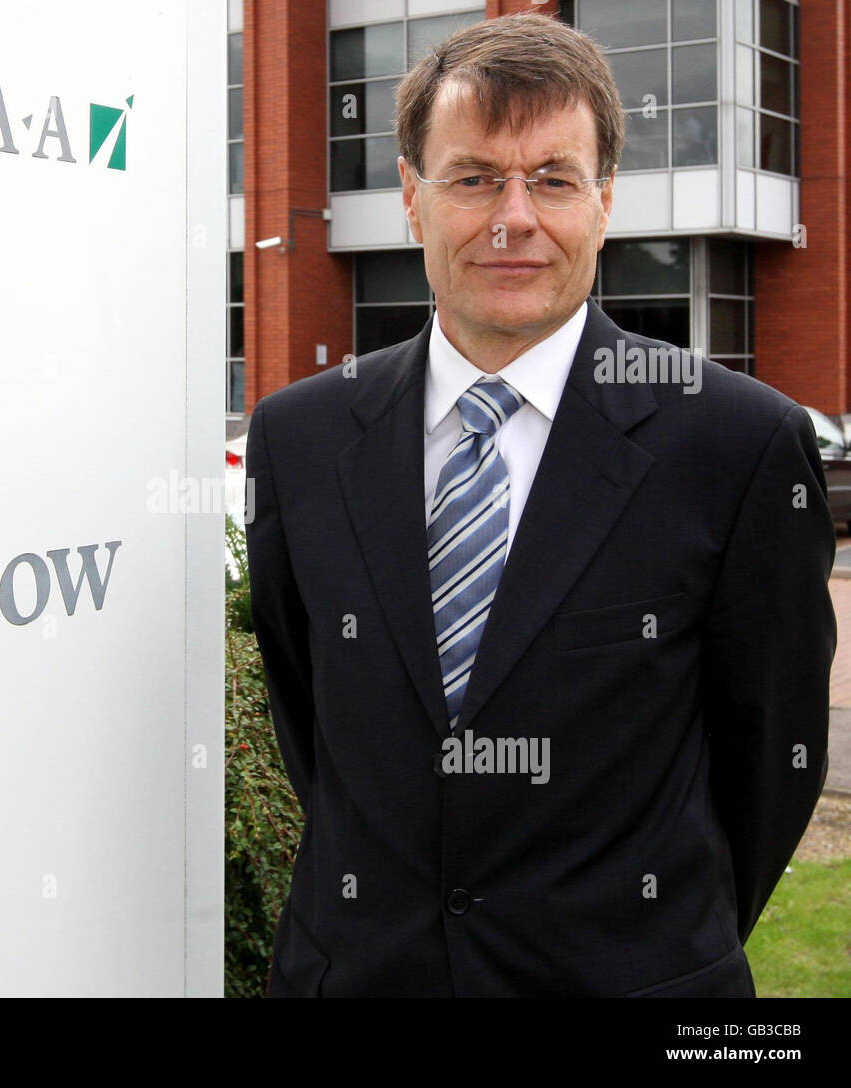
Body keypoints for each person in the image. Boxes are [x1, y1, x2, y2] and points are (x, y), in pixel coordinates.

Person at [244, 12, 834, 998]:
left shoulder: (734, 445)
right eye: (473, 176)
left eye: (551, 178)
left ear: (603, 202)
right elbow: (312, 719)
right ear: (410, 198)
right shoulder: (298, 438)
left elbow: (770, 757)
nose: (510, 217)